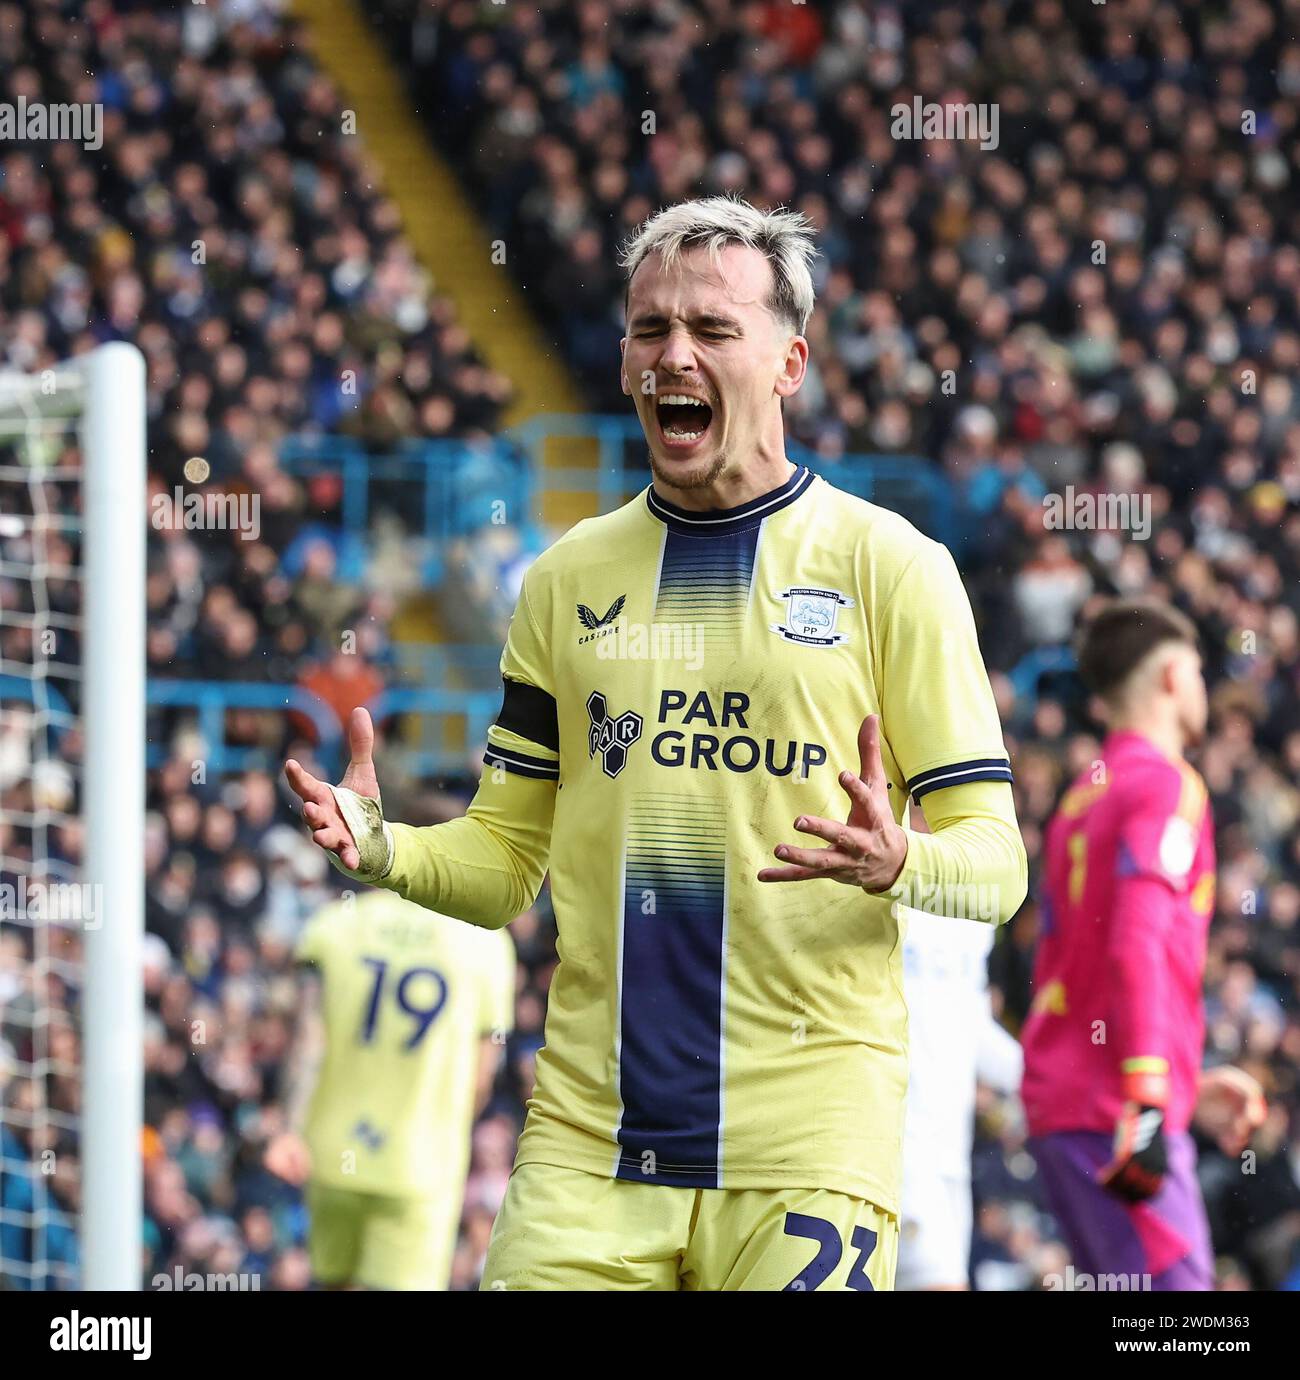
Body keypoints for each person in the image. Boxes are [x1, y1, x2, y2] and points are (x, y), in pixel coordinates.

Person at [286, 197, 1027, 1291]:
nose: (672, 353)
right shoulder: (565, 579)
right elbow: (504, 864)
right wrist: (388, 847)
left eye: (713, 330)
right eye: (649, 329)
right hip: (592, 1139)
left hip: (805, 1145)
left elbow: (999, 865)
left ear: (789, 361)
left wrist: (904, 858)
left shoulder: (892, 569)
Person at [1021, 599, 1265, 1290]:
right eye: (1193, 669)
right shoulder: (1167, 786)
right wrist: (1151, 1093)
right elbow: (1137, 944)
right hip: (1115, 1107)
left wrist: (1180, 1087)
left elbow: (1072, 960)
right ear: (1166, 679)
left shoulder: (1082, 796)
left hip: (1070, 1102)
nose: (1201, 687)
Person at [264, 889, 514, 1289]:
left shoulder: (333, 924)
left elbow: (308, 1042)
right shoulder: (485, 941)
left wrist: (289, 1131)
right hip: (420, 1164)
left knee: (332, 1283)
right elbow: (482, 1077)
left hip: (331, 1156)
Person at [895, 878, 1023, 1290]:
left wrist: (1047, 1080)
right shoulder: (882, 874)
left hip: (951, 1151)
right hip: (898, 1139)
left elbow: (972, 1025)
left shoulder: (979, 899)